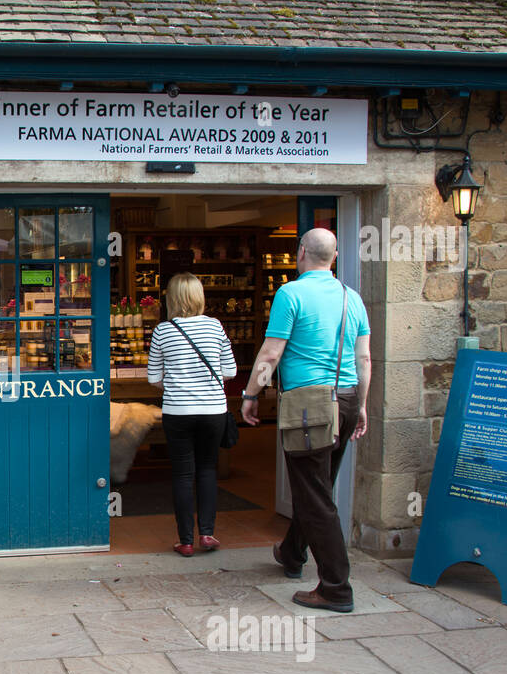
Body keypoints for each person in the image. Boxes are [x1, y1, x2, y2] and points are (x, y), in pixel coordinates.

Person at [240, 227, 371, 612]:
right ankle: (293, 553)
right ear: (334, 257)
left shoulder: (290, 293)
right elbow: (364, 359)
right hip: (345, 399)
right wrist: (361, 404)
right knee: (318, 485)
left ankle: (336, 587)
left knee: (315, 495)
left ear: (300, 253)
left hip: (308, 405)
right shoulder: (353, 298)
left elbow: (270, 353)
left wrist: (251, 395)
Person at [148, 273, 237, 557]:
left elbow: (153, 378)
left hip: (178, 411)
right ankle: (207, 533)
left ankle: (185, 540)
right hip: (213, 410)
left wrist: (177, 384)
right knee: (208, 470)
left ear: (171, 299)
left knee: (183, 475)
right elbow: (231, 371)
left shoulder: (163, 331)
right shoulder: (215, 326)